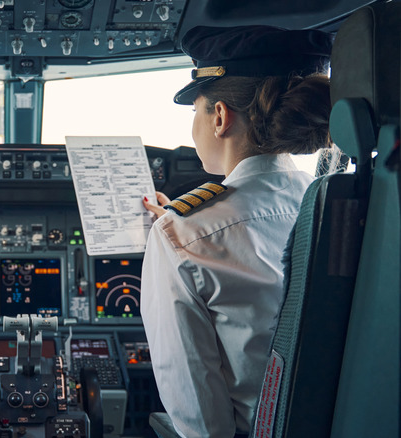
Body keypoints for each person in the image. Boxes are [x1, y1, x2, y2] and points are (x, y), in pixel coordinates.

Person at [139, 25, 333, 437]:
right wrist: (181, 232)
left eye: (197, 110)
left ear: (221, 117)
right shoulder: (334, 206)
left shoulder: (181, 237)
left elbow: (200, 420)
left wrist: (174, 239)